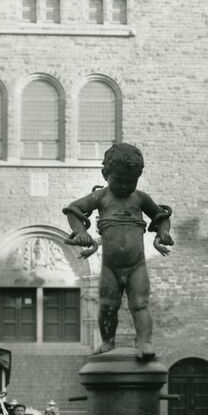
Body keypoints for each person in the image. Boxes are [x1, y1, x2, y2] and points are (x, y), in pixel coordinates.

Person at [63, 142, 173, 360]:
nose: (124, 186)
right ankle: (107, 342)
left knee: (140, 304)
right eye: (119, 180)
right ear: (106, 174)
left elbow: (161, 216)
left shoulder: (140, 198)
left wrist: (163, 233)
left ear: (138, 178)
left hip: (136, 265)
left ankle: (144, 342)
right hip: (110, 267)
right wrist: (80, 232)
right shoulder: (101, 197)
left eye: (130, 182)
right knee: (106, 307)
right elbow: (73, 210)